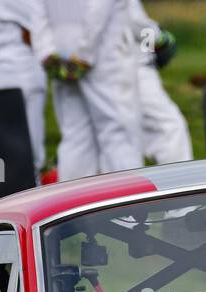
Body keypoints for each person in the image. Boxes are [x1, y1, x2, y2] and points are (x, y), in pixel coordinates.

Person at [35, 0, 142, 179]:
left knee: (75, 138)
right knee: (119, 135)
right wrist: (84, 54)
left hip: (62, 53)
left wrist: (46, 53)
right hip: (104, 56)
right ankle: (127, 202)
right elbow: (98, 10)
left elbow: (37, 12)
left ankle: (73, 202)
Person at [0, 0, 48, 175]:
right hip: (21, 58)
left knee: (11, 141)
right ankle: (26, 184)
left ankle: (14, 182)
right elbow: (39, 18)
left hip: (6, 61)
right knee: (28, 143)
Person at [127, 0, 192, 164]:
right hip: (133, 68)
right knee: (169, 127)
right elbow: (136, 25)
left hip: (95, 65)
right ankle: (179, 183)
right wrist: (160, 38)